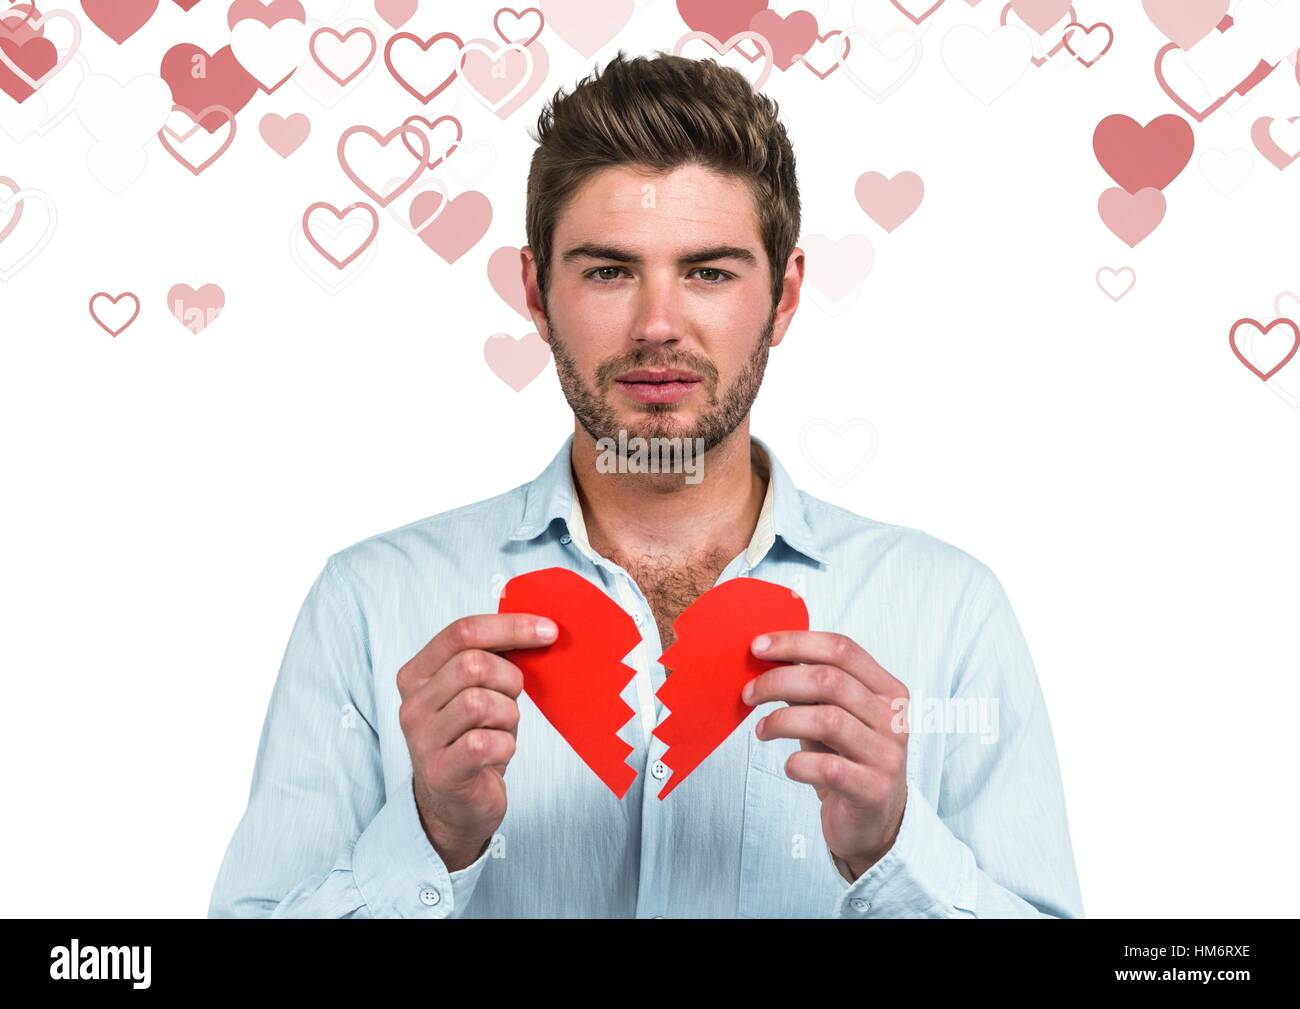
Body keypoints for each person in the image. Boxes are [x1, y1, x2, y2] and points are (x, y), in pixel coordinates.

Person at [208, 50, 1083, 918]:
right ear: (536, 293)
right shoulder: (368, 607)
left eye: (708, 271)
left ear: (783, 296)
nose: (657, 324)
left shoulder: (949, 612)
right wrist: (431, 835)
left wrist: (893, 848)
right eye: (608, 270)